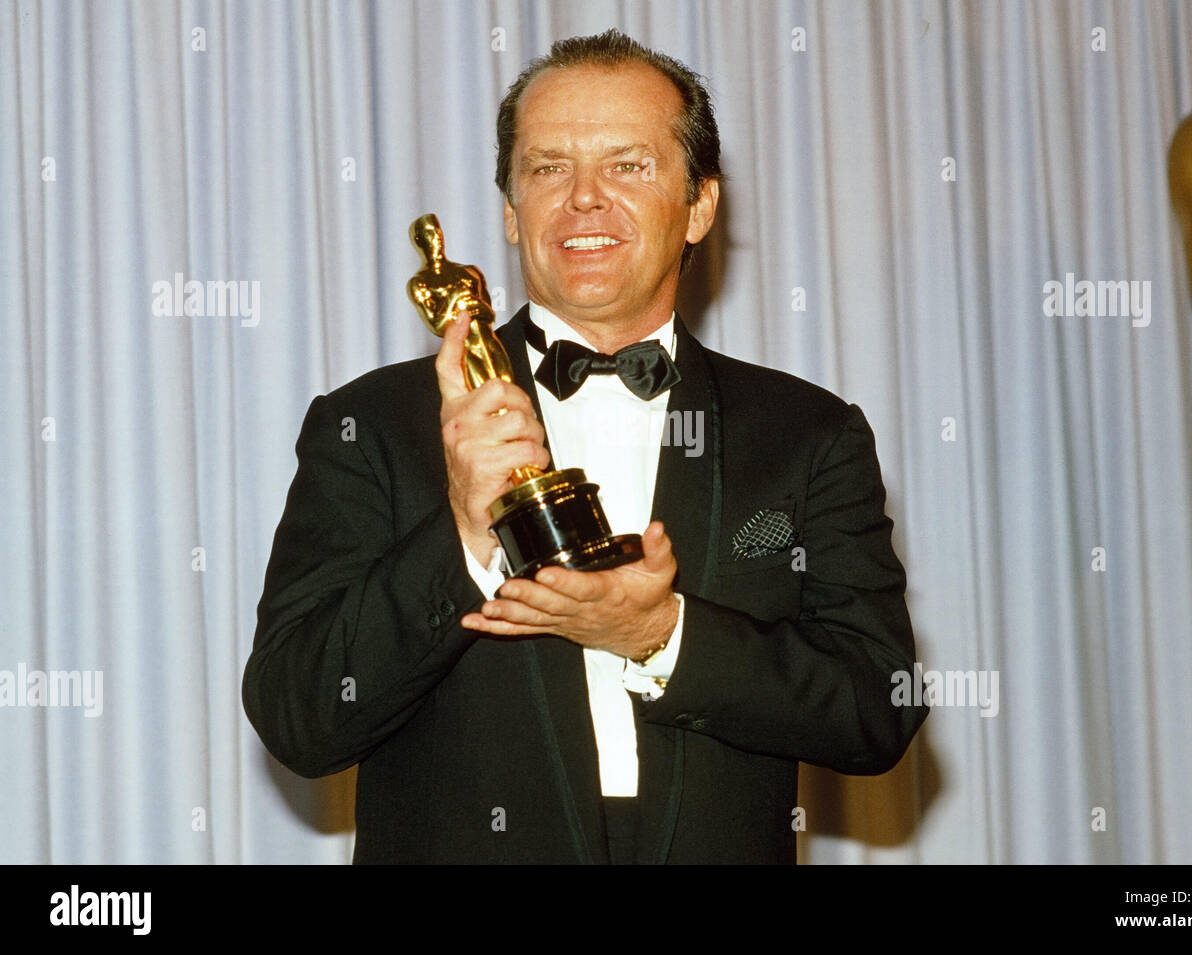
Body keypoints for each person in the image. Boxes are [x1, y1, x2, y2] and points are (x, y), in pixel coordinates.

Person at [242, 29, 926, 864]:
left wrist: (662, 634)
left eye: (628, 164)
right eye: (547, 167)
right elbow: (296, 716)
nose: (584, 198)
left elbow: (878, 706)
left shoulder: (807, 433)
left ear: (700, 205)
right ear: (509, 211)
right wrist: (462, 534)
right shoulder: (374, 424)